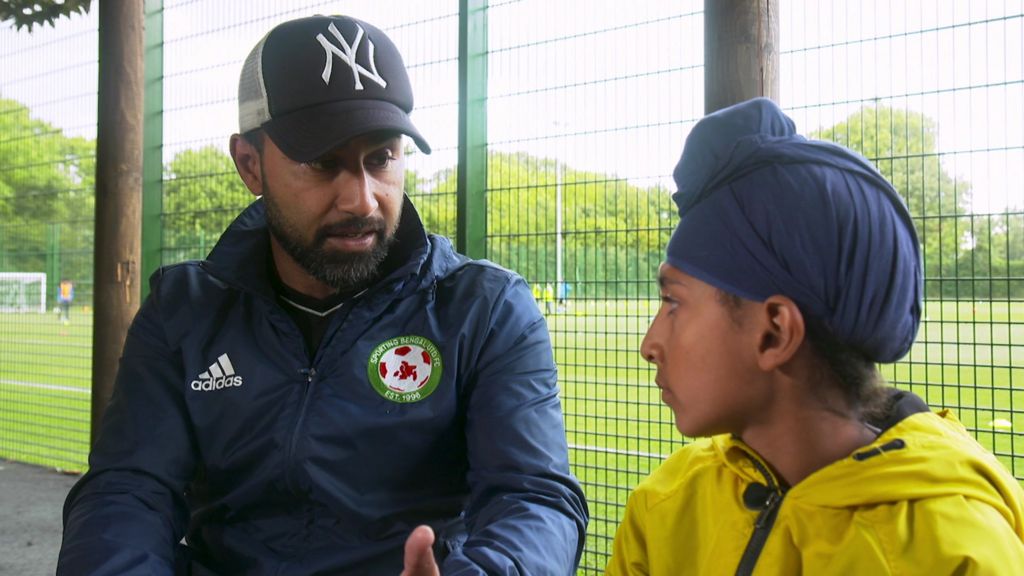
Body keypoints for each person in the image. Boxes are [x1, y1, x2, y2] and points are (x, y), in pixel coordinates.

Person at [58, 15, 587, 575]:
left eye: (381, 158)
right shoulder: (185, 309)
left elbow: (534, 498)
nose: (361, 199)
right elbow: (129, 489)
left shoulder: (484, 308)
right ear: (249, 165)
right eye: (322, 163)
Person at [605, 98, 1024, 575]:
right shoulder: (665, 507)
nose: (649, 345)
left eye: (673, 303)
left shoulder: (952, 554)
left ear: (774, 333)